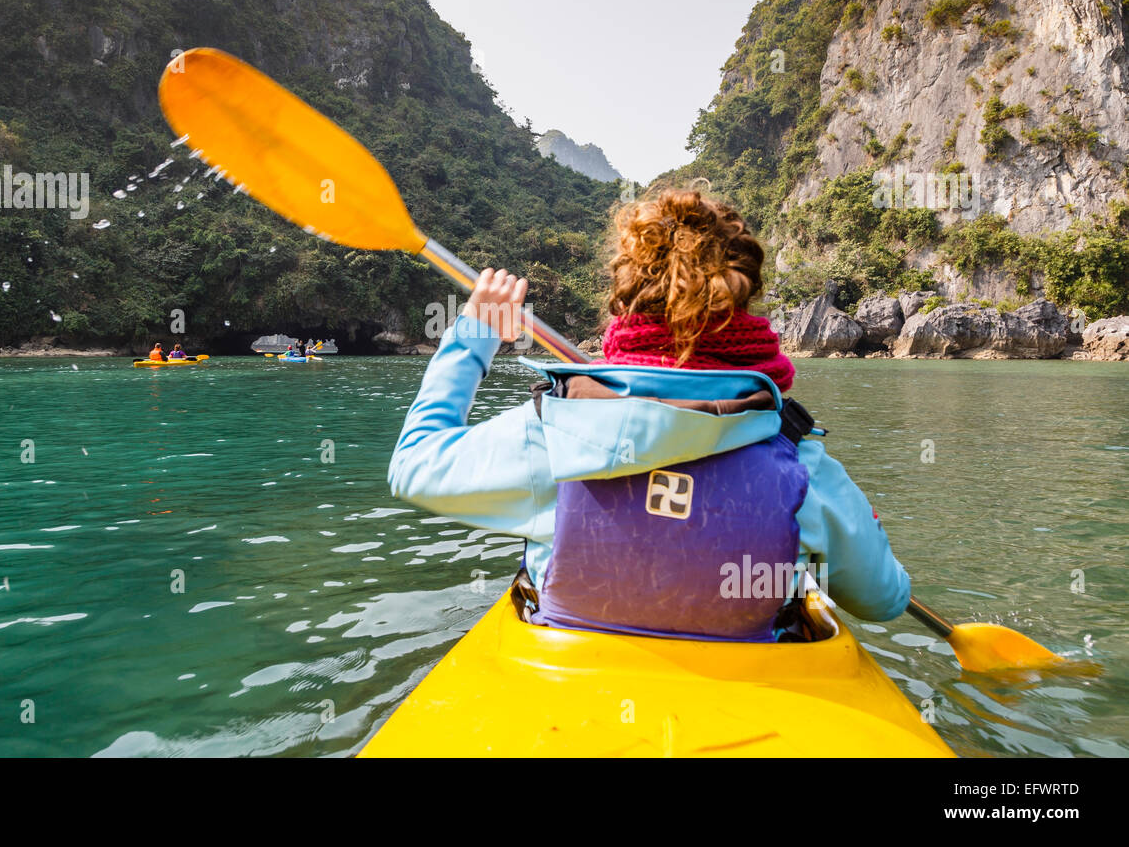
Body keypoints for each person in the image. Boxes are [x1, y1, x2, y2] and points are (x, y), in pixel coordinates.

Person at [388, 188, 910, 642]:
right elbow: (883, 599)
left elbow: (413, 467)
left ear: (625, 302)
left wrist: (473, 334)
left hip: (573, 683)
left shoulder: (554, 435)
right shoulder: (801, 463)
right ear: (743, 304)